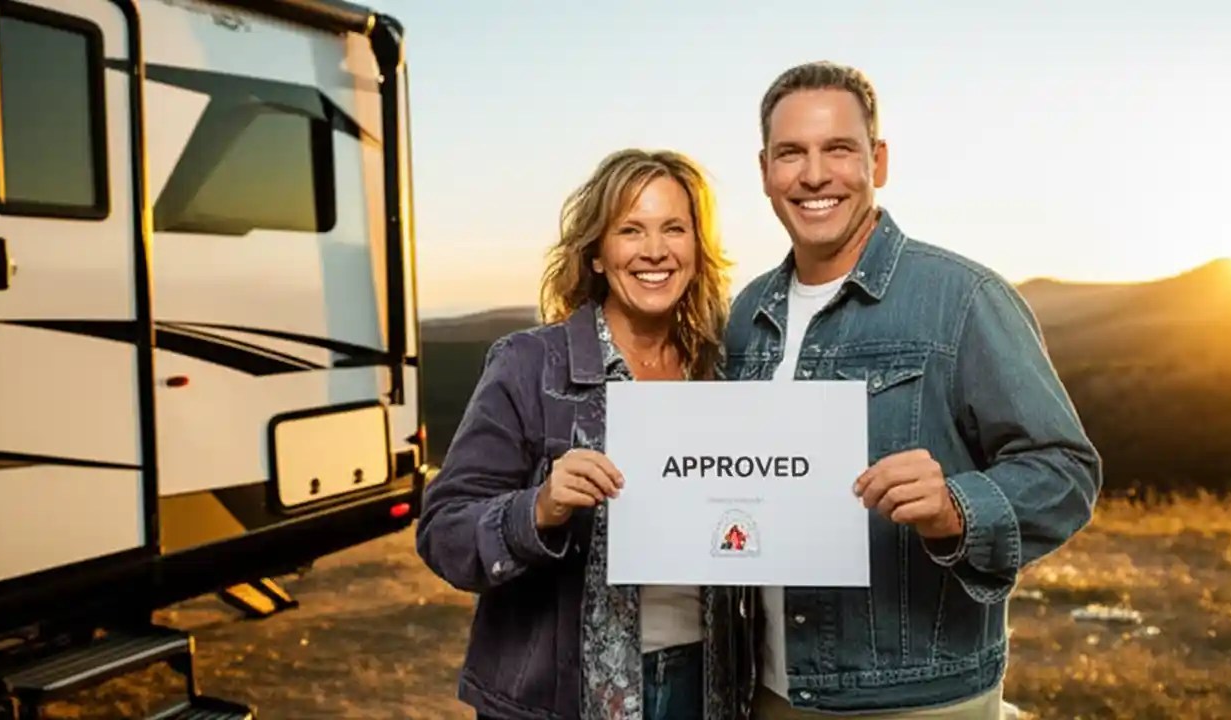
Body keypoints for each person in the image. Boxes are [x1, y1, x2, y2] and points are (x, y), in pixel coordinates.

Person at [722, 61, 1103, 719]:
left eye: (838, 149)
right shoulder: (748, 313)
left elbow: (1066, 473)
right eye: (791, 153)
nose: (813, 175)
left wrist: (959, 507)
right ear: (765, 171)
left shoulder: (964, 300)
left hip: (919, 699)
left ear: (879, 160)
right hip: (769, 694)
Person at [416, 148, 744, 720]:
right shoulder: (527, 365)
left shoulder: (721, 372)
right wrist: (539, 509)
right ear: (596, 253)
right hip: (555, 700)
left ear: (697, 249)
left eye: (674, 228)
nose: (655, 250)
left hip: (702, 685)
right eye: (630, 230)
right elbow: (444, 532)